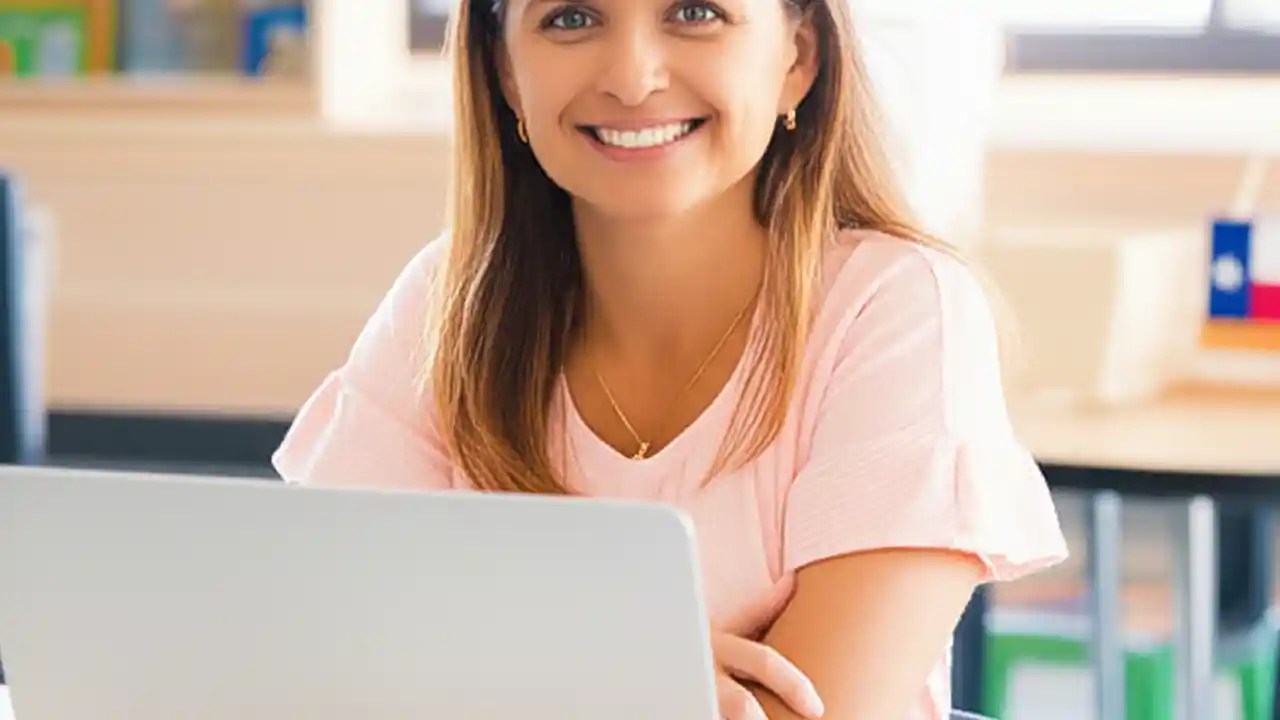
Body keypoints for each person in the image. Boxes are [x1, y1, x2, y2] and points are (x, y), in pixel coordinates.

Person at [272, 0, 1069, 717]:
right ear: (506, 76)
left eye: (695, 12)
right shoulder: (447, 304)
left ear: (798, 59)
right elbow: (322, 654)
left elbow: (816, 713)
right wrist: (620, 677)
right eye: (571, 19)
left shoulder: (896, 306)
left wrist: (500, 669)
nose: (631, 76)